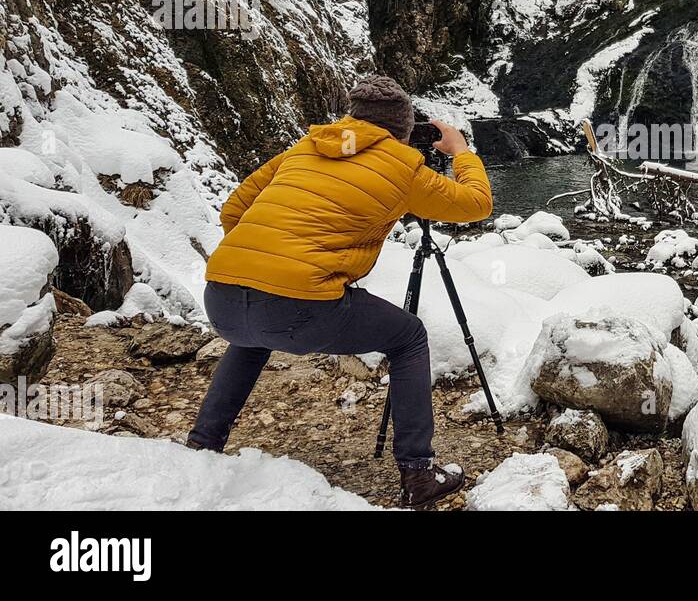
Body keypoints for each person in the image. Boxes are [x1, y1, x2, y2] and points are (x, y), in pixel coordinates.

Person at [188, 75, 492, 510]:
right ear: (403, 130)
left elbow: (234, 208)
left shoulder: (304, 147)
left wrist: (267, 263)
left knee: (248, 339)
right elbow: (476, 204)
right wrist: (461, 152)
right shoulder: (403, 167)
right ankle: (419, 475)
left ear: (351, 118)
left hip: (221, 297)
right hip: (298, 310)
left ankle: (202, 446)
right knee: (408, 337)